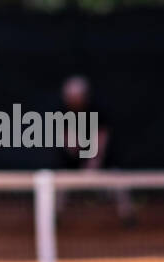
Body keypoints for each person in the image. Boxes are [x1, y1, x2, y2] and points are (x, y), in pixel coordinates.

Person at [56, 74, 134, 225]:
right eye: (70, 96)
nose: (73, 100)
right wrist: (76, 154)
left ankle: (127, 215)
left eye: (76, 96)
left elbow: (101, 140)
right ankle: (54, 216)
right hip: (73, 161)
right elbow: (68, 143)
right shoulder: (62, 113)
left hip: (100, 159)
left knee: (119, 180)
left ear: (84, 96)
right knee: (57, 181)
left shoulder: (97, 111)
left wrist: (94, 160)